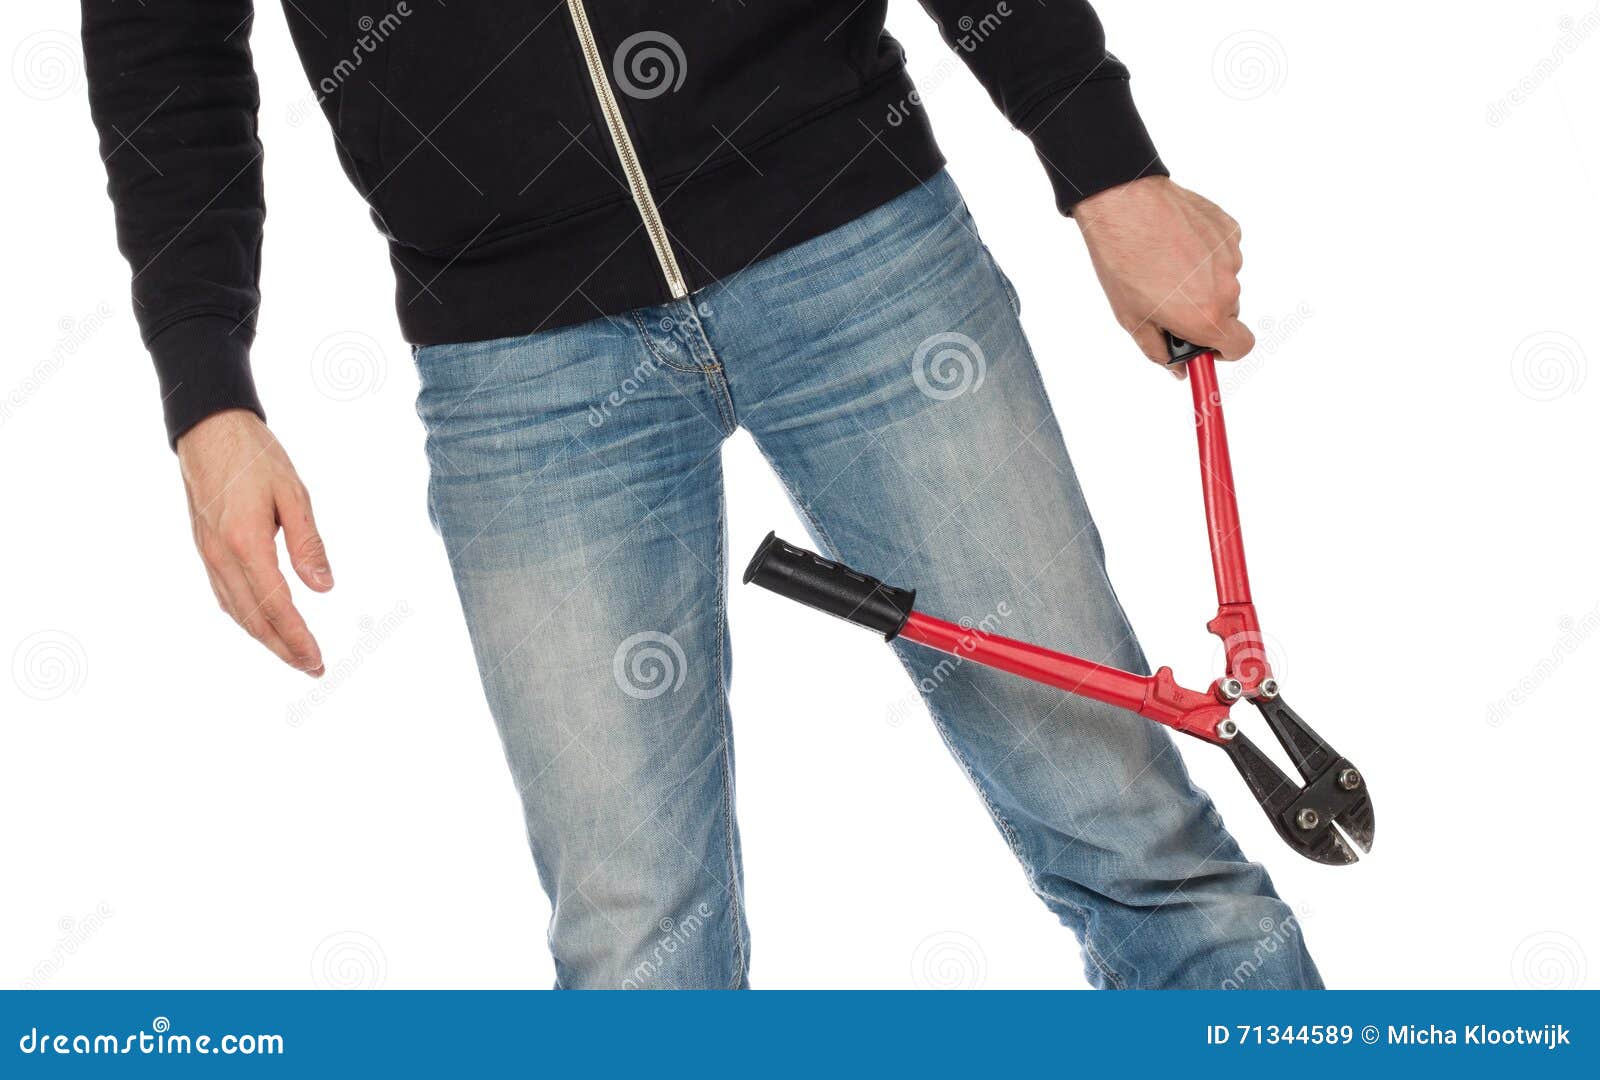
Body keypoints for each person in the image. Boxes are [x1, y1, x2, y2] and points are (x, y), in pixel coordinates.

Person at [81, 0, 1319, 989]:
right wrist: (207, 393)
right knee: (635, 965)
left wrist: (1103, 161)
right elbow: (158, 35)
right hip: (515, 356)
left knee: (1135, 849)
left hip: (857, 240)